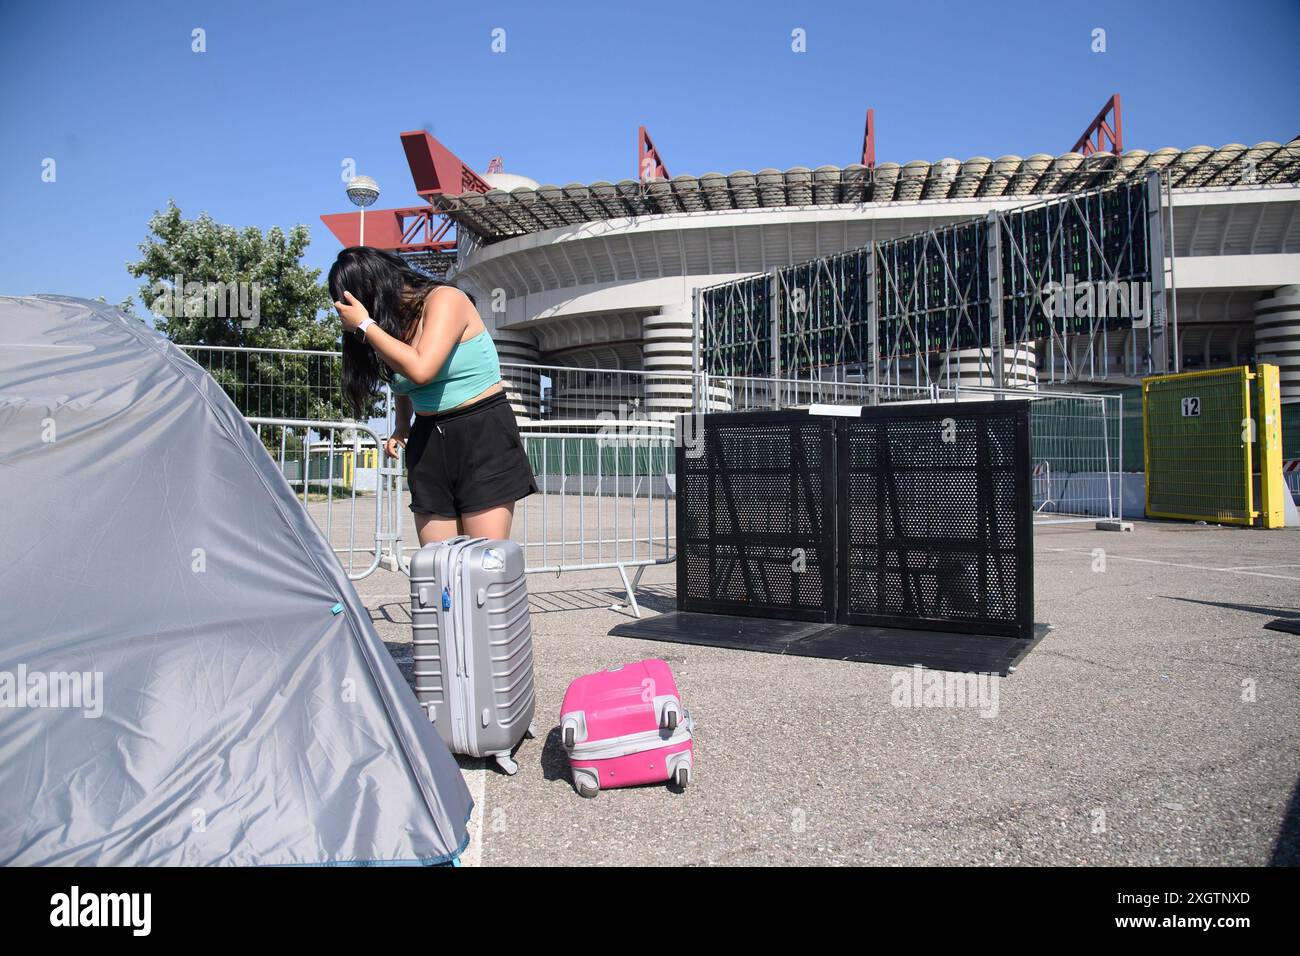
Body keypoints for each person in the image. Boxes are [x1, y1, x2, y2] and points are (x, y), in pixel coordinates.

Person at [329, 247, 537, 545]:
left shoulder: (445, 299)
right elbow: (403, 378)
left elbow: (421, 369)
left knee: (483, 562)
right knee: (437, 563)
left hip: (481, 433)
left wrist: (365, 325)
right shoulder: (391, 327)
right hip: (428, 440)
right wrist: (402, 425)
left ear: (374, 288)